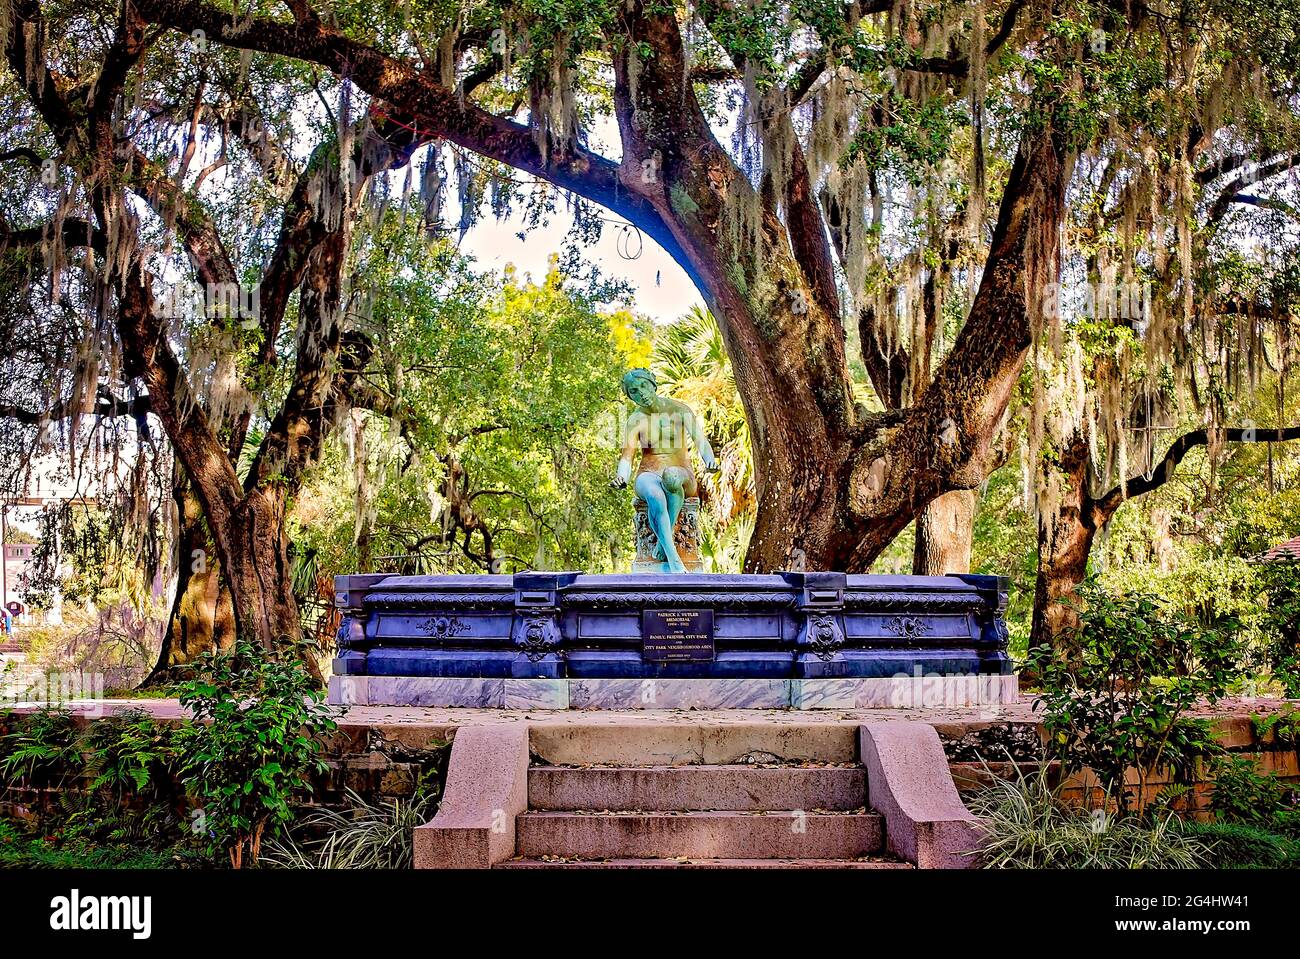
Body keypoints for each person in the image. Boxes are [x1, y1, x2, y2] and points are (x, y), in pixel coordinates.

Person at [611, 368, 718, 573]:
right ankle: (674, 559)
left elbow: (700, 441)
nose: (640, 393)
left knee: (670, 477)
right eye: (633, 391)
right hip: (648, 473)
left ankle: (664, 537)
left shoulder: (679, 410)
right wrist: (621, 476)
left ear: (653, 384)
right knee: (654, 493)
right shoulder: (635, 420)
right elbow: (627, 456)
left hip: (680, 472)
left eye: (643, 386)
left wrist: (710, 461)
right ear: (630, 397)